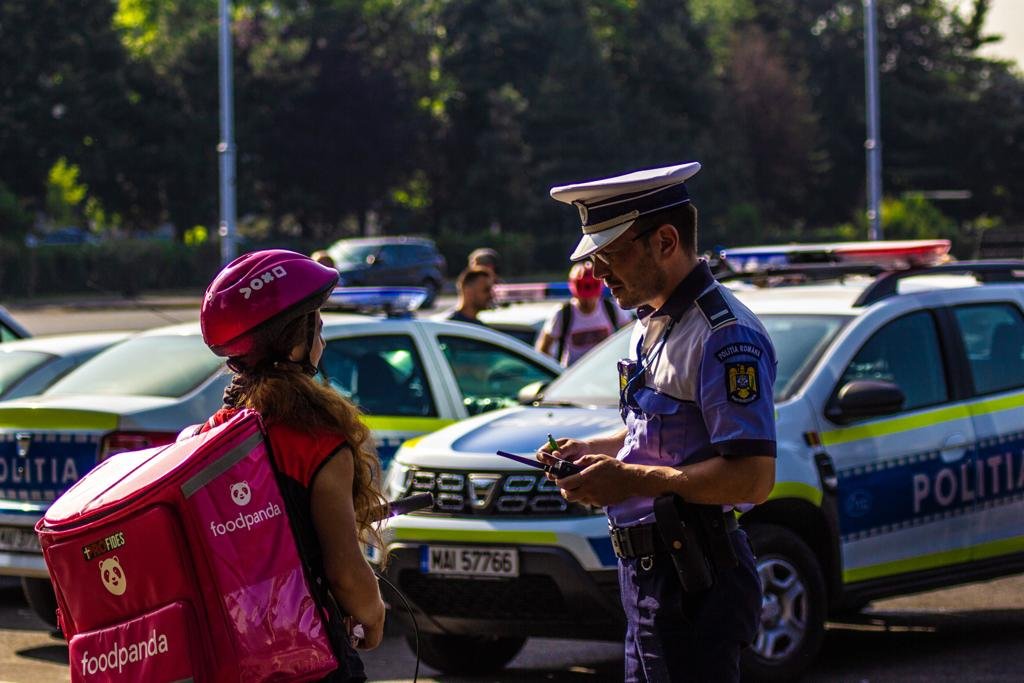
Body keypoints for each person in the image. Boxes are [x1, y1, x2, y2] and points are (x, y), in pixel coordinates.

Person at [538, 162, 777, 682]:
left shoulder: (724, 336)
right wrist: (593, 450)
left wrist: (625, 479)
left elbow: (752, 478)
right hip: (651, 574)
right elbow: (662, 434)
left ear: (665, 241)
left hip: (694, 576)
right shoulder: (651, 321)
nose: (598, 272)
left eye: (610, 254)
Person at [199, 249, 386, 681]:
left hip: (233, 657)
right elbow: (344, 574)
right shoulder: (317, 440)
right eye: (316, 325)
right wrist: (373, 614)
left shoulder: (213, 435)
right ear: (294, 341)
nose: (322, 337)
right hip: (309, 658)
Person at [535, 260, 632, 366]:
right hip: (573, 375)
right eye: (584, 297)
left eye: (592, 296)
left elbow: (630, 337)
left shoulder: (612, 309)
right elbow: (543, 349)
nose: (588, 301)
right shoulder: (562, 313)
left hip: (606, 373)